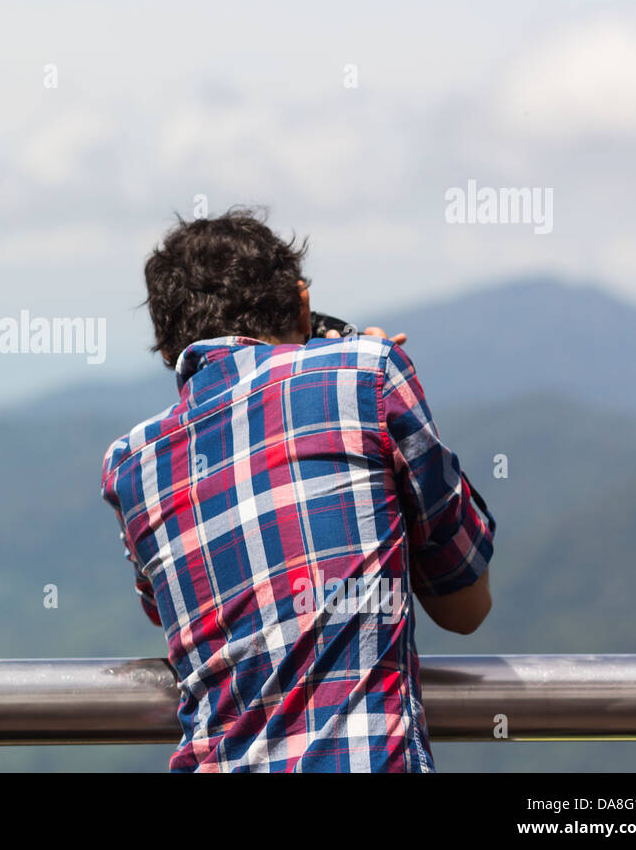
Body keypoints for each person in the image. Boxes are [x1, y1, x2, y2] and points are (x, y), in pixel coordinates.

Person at [100, 209, 495, 772]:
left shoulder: (130, 466)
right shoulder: (367, 373)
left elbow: (190, 620)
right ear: (302, 305)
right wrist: (387, 405)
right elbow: (465, 605)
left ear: (169, 351)